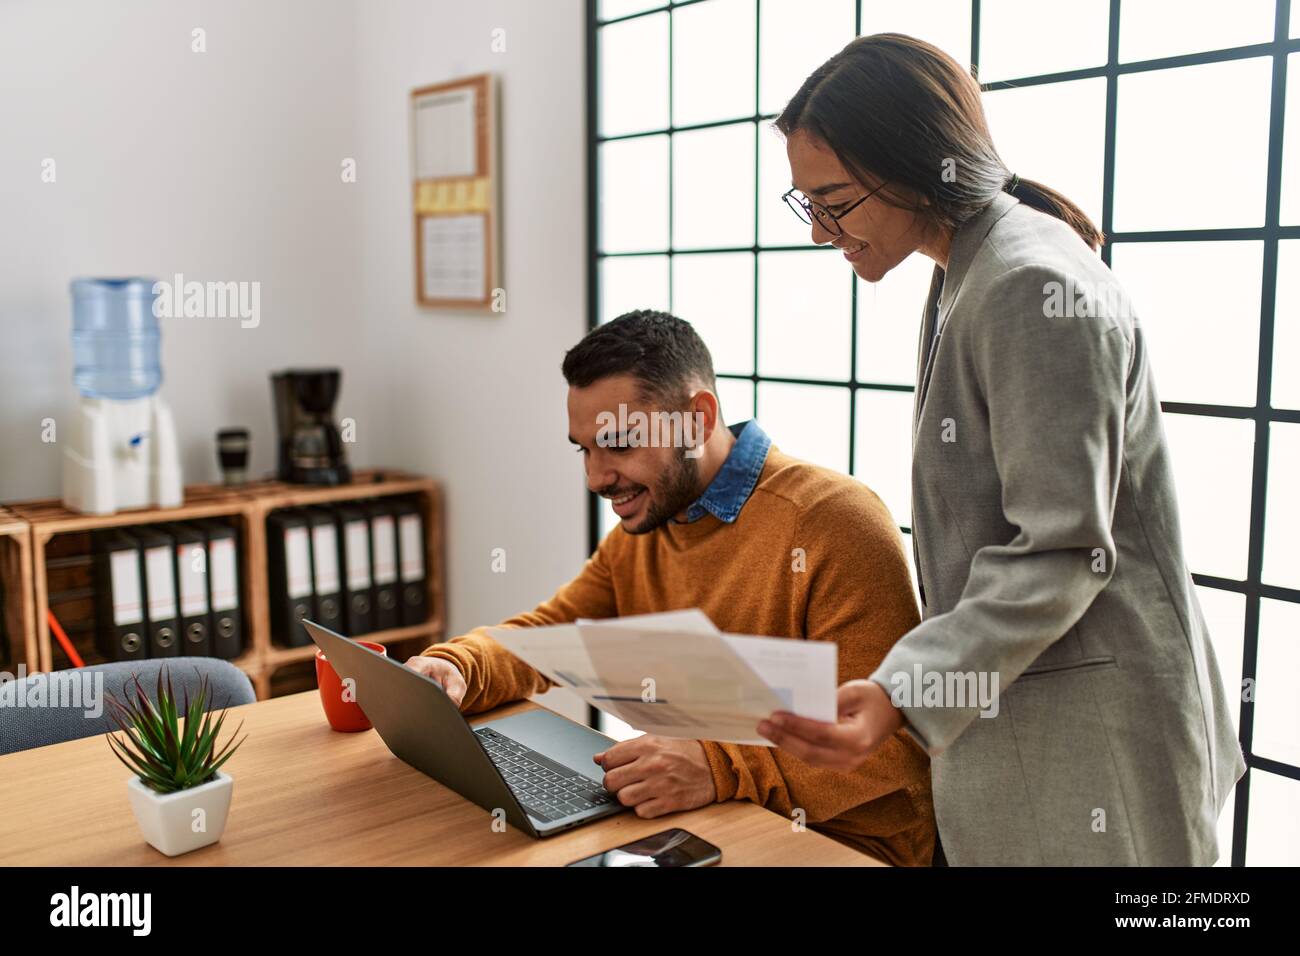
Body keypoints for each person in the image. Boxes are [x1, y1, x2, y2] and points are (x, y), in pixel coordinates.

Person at [758, 33, 1245, 866]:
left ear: (913, 161)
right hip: (1037, 721)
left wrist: (898, 693)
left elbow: (1060, 551)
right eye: (808, 204)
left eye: (834, 201)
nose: (821, 233)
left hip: (1098, 737)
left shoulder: (1026, 285)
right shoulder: (965, 269)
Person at [407, 310, 936, 866]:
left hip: (845, 847)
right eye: (583, 449)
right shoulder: (650, 525)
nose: (596, 478)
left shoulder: (833, 523)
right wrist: (458, 667)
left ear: (698, 417)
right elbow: (546, 635)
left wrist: (716, 766)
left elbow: (889, 752)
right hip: (706, 827)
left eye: (618, 442)